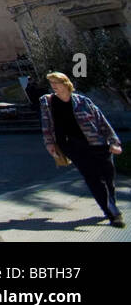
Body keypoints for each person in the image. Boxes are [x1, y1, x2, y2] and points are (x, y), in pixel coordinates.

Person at [40, 71, 124, 227]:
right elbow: (46, 125)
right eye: (51, 84)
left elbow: (101, 121)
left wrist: (114, 142)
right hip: (72, 146)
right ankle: (112, 213)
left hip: (98, 143)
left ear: (65, 84)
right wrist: (49, 144)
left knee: (108, 178)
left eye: (56, 83)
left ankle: (111, 204)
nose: (53, 87)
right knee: (94, 179)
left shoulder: (83, 101)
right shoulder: (48, 103)